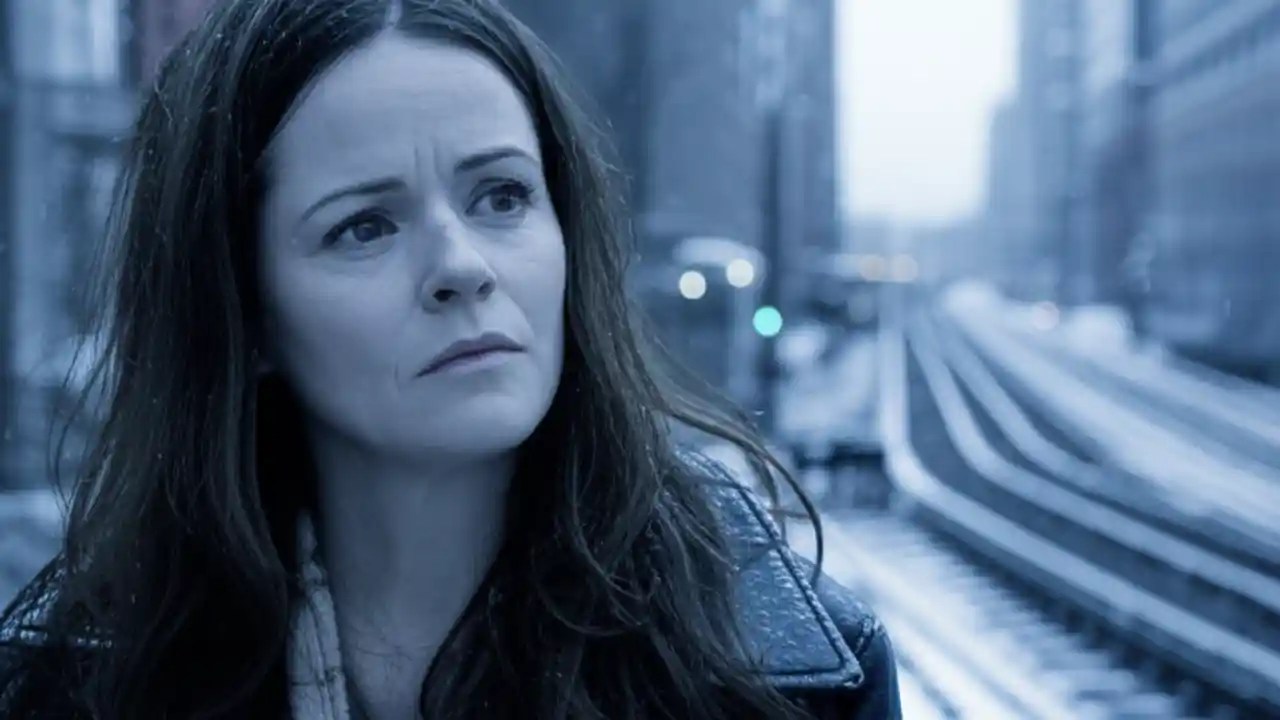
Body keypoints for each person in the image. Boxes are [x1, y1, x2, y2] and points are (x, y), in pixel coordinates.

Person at [0, 1, 900, 717]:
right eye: (364, 226)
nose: (462, 267)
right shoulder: (81, 683)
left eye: (502, 196)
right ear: (247, 313)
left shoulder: (786, 676)